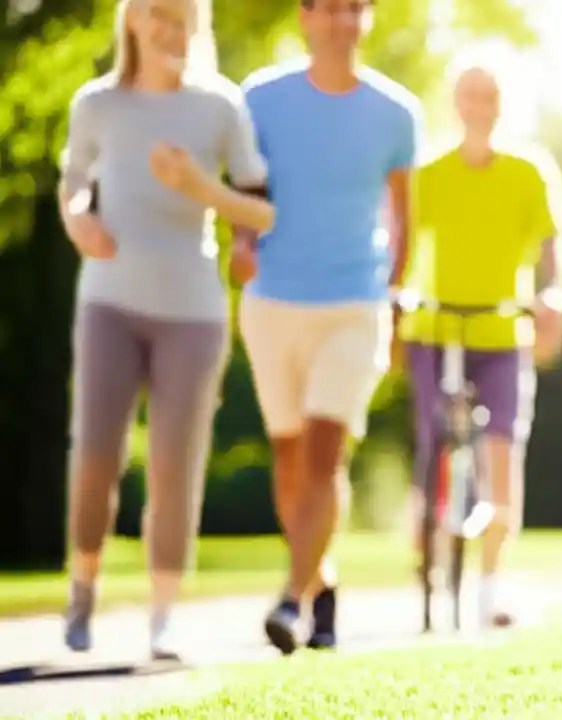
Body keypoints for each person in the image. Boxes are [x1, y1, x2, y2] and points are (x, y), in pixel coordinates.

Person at [57, 0, 273, 660]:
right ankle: (84, 583)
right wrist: (78, 222)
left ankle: (162, 617)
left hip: (194, 311)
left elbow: (258, 208)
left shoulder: (219, 106)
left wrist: (203, 192)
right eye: (157, 12)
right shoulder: (97, 104)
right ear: (131, 19)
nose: (168, 27)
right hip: (109, 303)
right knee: (96, 455)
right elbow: (73, 181)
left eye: (181, 16)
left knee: (178, 466)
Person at [233, 0, 425, 654]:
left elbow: (404, 220)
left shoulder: (396, 112)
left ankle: (289, 598)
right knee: (288, 462)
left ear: (364, 19)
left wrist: (393, 295)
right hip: (272, 301)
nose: (343, 20)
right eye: (331, 8)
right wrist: (239, 240)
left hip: (354, 302)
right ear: (306, 15)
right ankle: (321, 583)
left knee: (322, 453)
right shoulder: (260, 97)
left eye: (355, 8)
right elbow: (246, 188)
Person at [397, 58, 562, 630]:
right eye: (469, 93)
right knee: (433, 445)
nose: (479, 104)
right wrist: (393, 293)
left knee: (501, 450)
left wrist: (553, 296)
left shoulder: (528, 171)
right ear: (455, 101)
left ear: (503, 103)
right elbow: (399, 240)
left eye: (490, 94)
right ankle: (428, 539)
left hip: (501, 330)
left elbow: (551, 248)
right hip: (436, 328)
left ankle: (492, 584)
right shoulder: (430, 171)